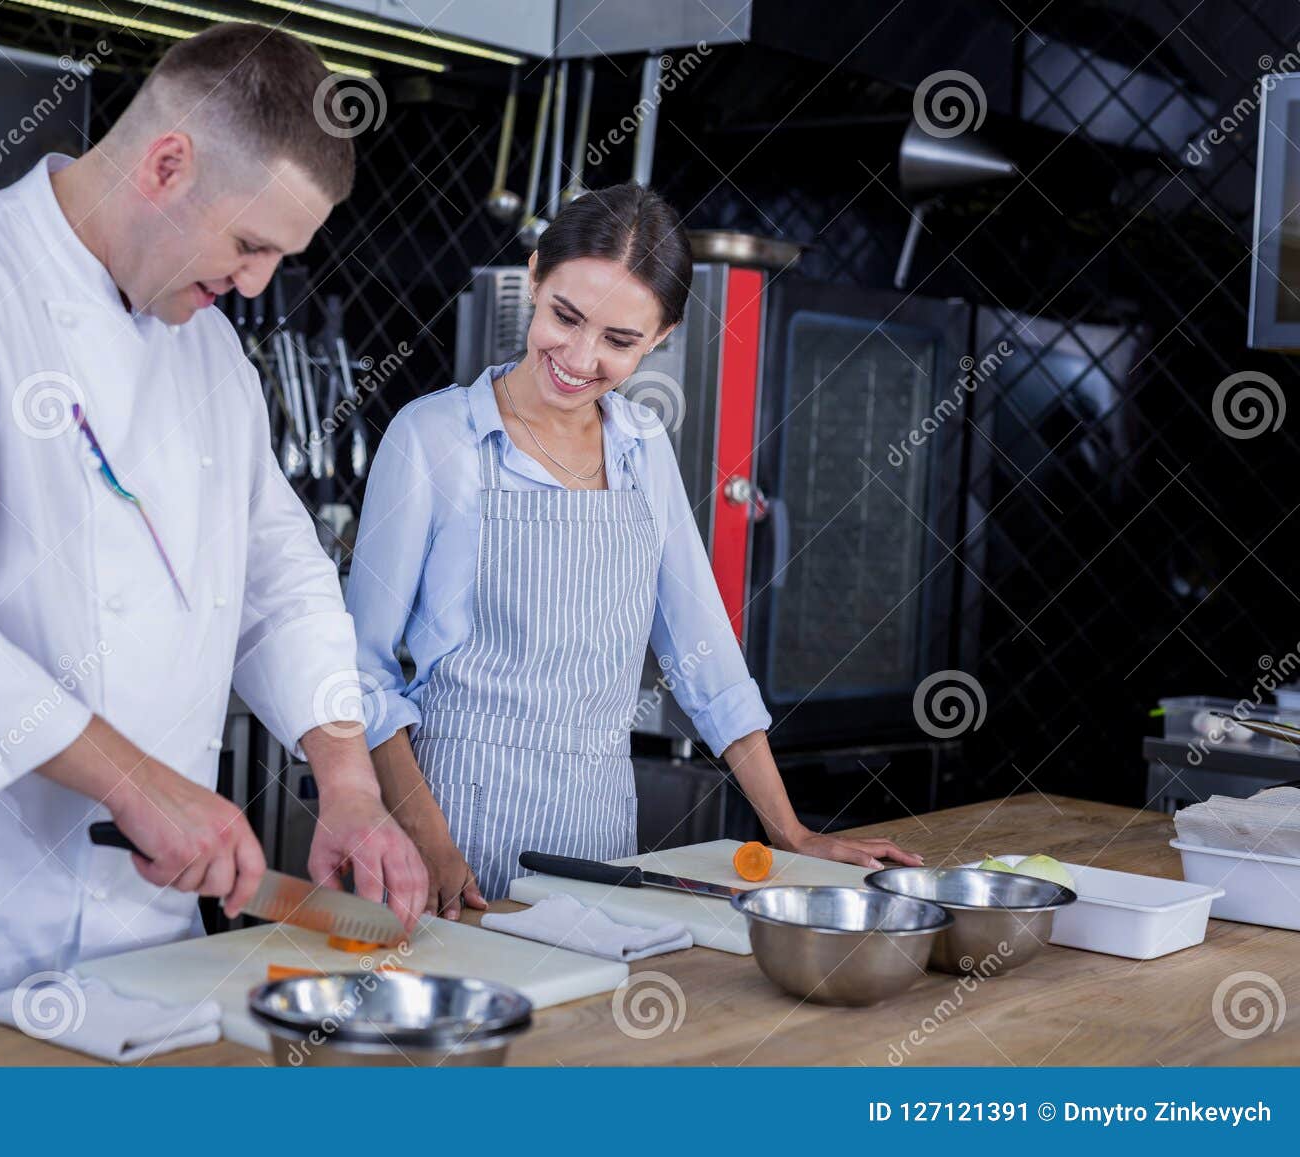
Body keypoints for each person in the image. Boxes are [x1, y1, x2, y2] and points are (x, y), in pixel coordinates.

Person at [0, 25, 426, 1027]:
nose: (255, 285)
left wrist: (347, 780)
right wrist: (135, 779)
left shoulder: (213, 362)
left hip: (140, 940)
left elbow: (281, 579)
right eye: (248, 245)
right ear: (165, 164)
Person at [347, 183, 922, 918]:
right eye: (565, 316)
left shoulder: (642, 447)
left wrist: (791, 830)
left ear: (661, 337)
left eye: (619, 341)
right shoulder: (433, 439)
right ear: (533, 278)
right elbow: (362, 671)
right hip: (454, 829)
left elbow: (705, 652)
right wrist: (427, 837)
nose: (580, 358)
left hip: (601, 843)